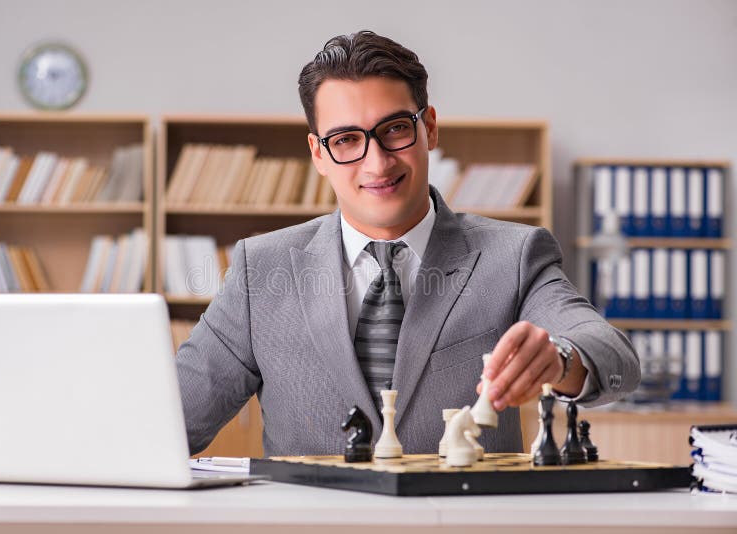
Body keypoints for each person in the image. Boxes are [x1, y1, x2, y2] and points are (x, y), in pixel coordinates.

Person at [176, 31, 639, 456]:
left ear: (429, 128)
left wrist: (559, 359)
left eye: (395, 129)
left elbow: (612, 353)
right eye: (346, 139)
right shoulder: (262, 270)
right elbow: (172, 419)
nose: (376, 163)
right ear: (318, 153)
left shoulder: (514, 256)